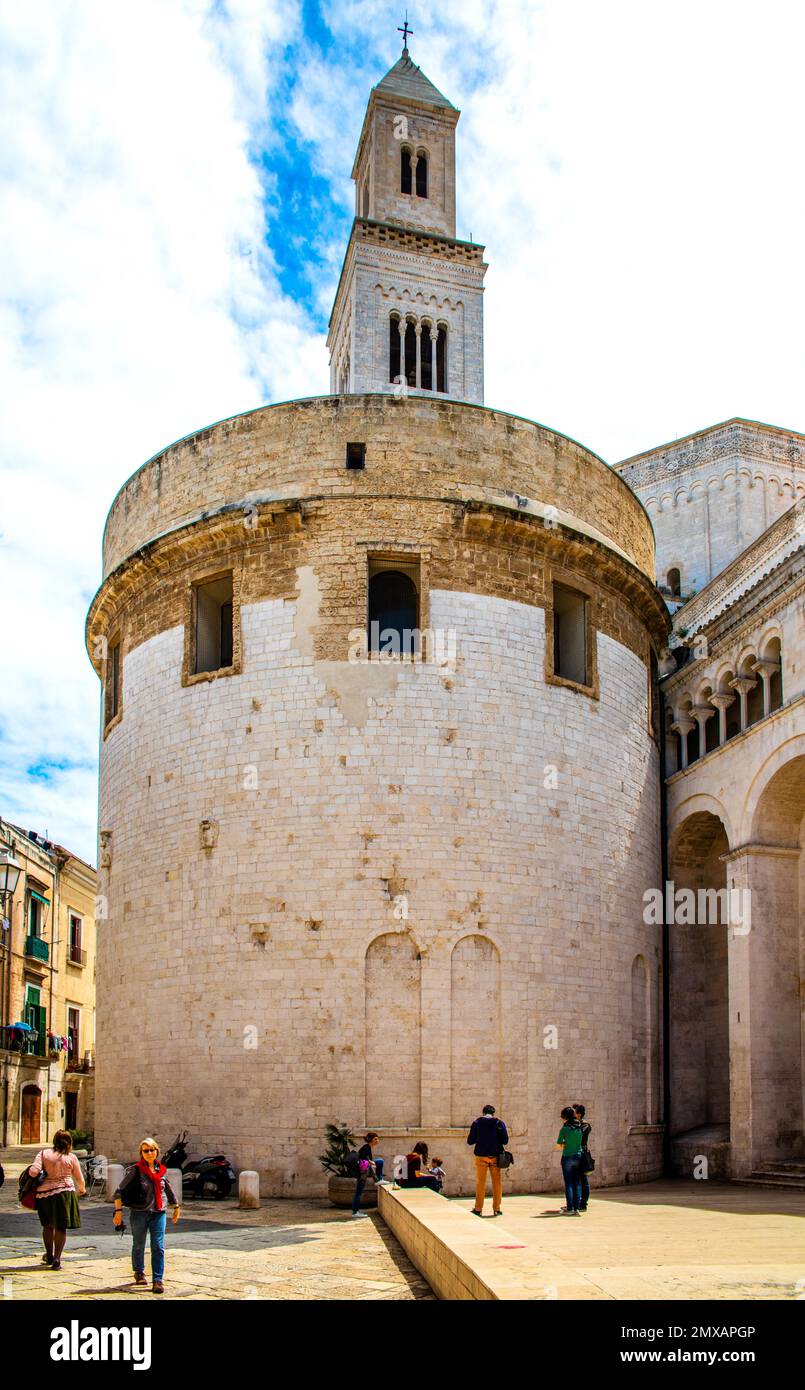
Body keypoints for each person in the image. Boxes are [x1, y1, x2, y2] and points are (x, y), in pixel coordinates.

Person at [113, 1137, 181, 1293]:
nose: (149, 1153)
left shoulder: (162, 1170)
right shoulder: (135, 1171)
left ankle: (157, 1280)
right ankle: (139, 1271)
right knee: (139, 1244)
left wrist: (176, 1206)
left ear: (157, 1151)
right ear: (141, 1153)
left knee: (158, 1246)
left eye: (152, 1150)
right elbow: (118, 1192)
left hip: (158, 1213)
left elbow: (168, 1189)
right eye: (146, 1150)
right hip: (139, 1213)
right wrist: (118, 1212)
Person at [27, 1129, 86, 1269]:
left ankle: (49, 1255)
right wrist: (82, 1189)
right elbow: (79, 1177)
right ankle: (57, 1259)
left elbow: (33, 1171)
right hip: (65, 1193)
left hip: (44, 1194)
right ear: (69, 1142)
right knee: (61, 1226)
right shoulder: (71, 1157)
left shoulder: (43, 1153)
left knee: (47, 1225)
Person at [467, 1104, 509, 1216]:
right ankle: (497, 1208)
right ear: (493, 1113)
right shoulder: (499, 1123)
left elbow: (470, 1141)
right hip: (495, 1157)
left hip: (481, 1156)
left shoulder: (476, 1123)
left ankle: (478, 1208)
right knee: (497, 1183)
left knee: (481, 1183)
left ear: (483, 1112)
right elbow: (505, 1140)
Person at [556, 1106, 584, 1215]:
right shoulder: (579, 1127)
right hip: (578, 1156)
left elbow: (559, 1145)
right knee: (577, 1183)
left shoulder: (564, 1129)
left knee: (569, 1183)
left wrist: (565, 1144)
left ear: (565, 1117)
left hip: (567, 1156)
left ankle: (570, 1207)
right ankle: (577, 1208)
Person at [573, 1103, 592, 1212]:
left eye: (574, 1113)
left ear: (579, 1115)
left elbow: (580, 1137)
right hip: (574, 1154)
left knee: (582, 1179)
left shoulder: (585, 1125)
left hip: (582, 1154)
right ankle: (575, 1202)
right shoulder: (574, 1125)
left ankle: (583, 1202)